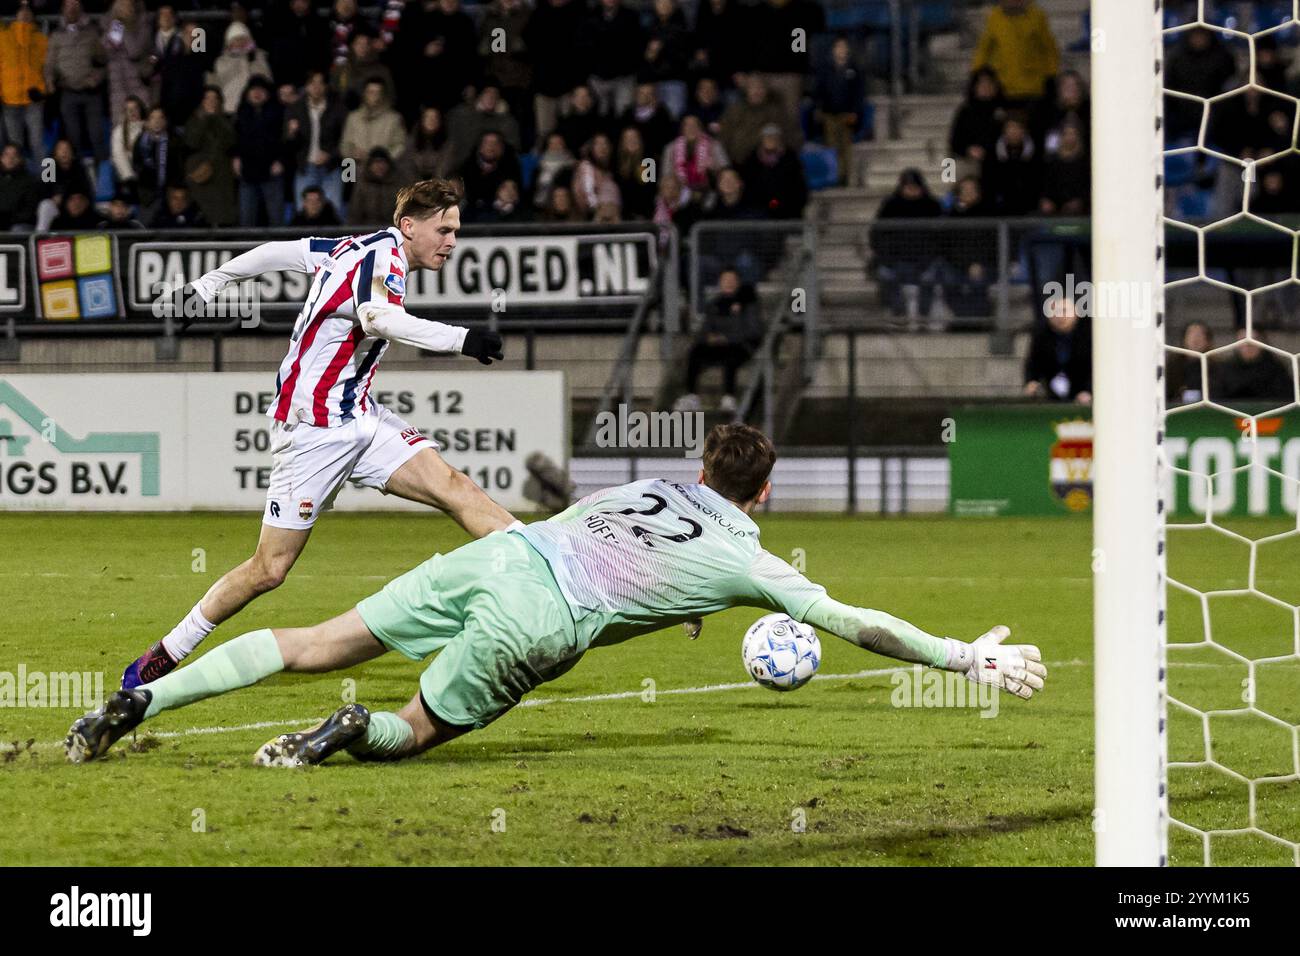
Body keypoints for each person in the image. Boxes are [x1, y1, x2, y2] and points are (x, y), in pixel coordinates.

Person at [68, 423, 1046, 767]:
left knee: (314, 635)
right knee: (418, 726)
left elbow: (602, 529)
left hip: (495, 559)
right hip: (541, 617)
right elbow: (850, 622)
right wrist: (964, 654)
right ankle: (345, 735)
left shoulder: (643, 486)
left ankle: (136, 698)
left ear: (703, 464)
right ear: (763, 490)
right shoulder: (753, 557)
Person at [113, 179, 511, 692]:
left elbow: (277, 252)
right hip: (314, 430)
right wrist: (464, 338)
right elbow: (378, 318)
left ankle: (545, 573)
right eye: (444, 229)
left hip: (360, 416)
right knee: (269, 569)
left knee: (454, 487)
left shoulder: (355, 245)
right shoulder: (381, 263)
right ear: (409, 225)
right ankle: (166, 653)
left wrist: (210, 284)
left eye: (456, 230)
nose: (453, 241)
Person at [679, 267, 764, 411]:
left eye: (732, 280)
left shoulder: (748, 303)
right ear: (719, 283)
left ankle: (729, 397)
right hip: (717, 346)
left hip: (740, 346)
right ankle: (691, 396)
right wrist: (709, 338)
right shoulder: (714, 304)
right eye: (725, 280)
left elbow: (752, 331)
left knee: (731, 356)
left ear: (738, 283)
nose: (728, 283)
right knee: (695, 351)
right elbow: (704, 329)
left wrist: (727, 338)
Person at [970, 0, 1059, 109]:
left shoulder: (1037, 16)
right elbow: (983, 50)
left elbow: (1049, 49)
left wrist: (1051, 76)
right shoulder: (994, 17)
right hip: (1004, 88)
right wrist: (977, 74)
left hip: (1034, 88)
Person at [1023, 296, 1091, 403]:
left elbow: (1096, 367)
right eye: (1054, 311)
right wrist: (1032, 381)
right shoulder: (1042, 334)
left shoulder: (1090, 334)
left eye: (1064, 311)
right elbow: (1033, 362)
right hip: (1053, 397)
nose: (1059, 316)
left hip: (1085, 396)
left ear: (1076, 311)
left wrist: (1088, 391)